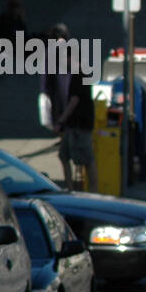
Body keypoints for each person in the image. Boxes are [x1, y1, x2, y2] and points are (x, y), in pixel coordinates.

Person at [49, 25, 96, 192]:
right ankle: (70, 188)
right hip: (73, 124)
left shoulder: (79, 72)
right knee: (64, 155)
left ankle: (93, 191)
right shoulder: (74, 71)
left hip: (80, 123)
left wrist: (61, 121)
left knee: (86, 159)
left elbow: (74, 100)